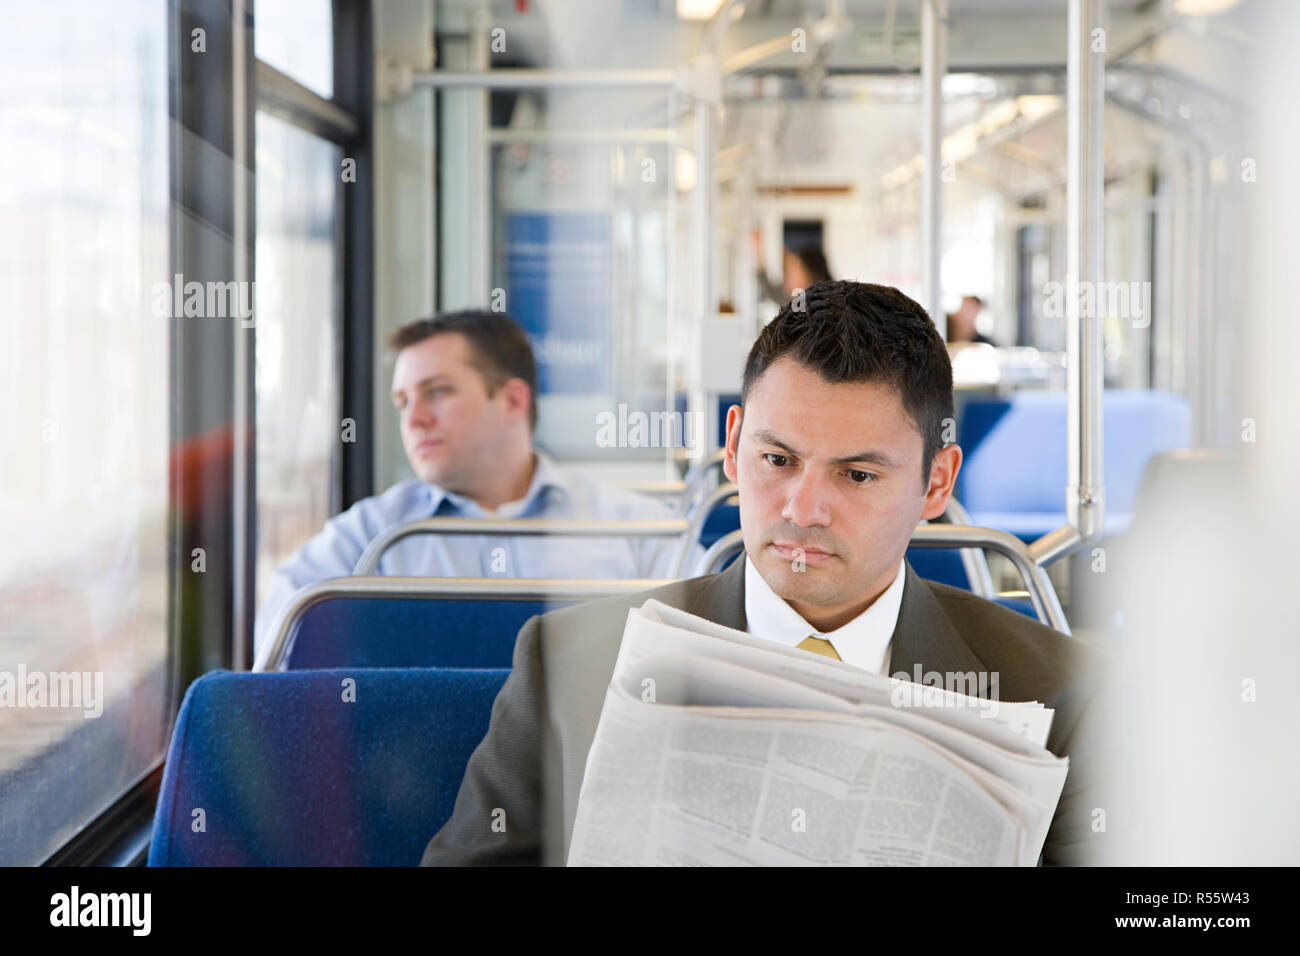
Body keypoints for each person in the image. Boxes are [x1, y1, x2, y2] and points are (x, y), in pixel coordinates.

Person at [421, 280, 1102, 867]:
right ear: (734, 443)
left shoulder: (1059, 696)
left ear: (935, 485)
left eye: (857, 475)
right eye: (777, 460)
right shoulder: (571, 666)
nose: (804, 510)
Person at [252, 310, 701, 661]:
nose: (414, 419)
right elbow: (282, 642)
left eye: (438, 392)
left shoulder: (635, 529)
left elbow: (718, 641)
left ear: (512, 400)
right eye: (403, 401)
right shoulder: (369, 535)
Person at [753, 229, 832, 304]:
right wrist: (758, 248)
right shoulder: (795, 300)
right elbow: (771, 290)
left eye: (793, 270)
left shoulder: (828, 306)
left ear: (810, 274)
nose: (787, 276)